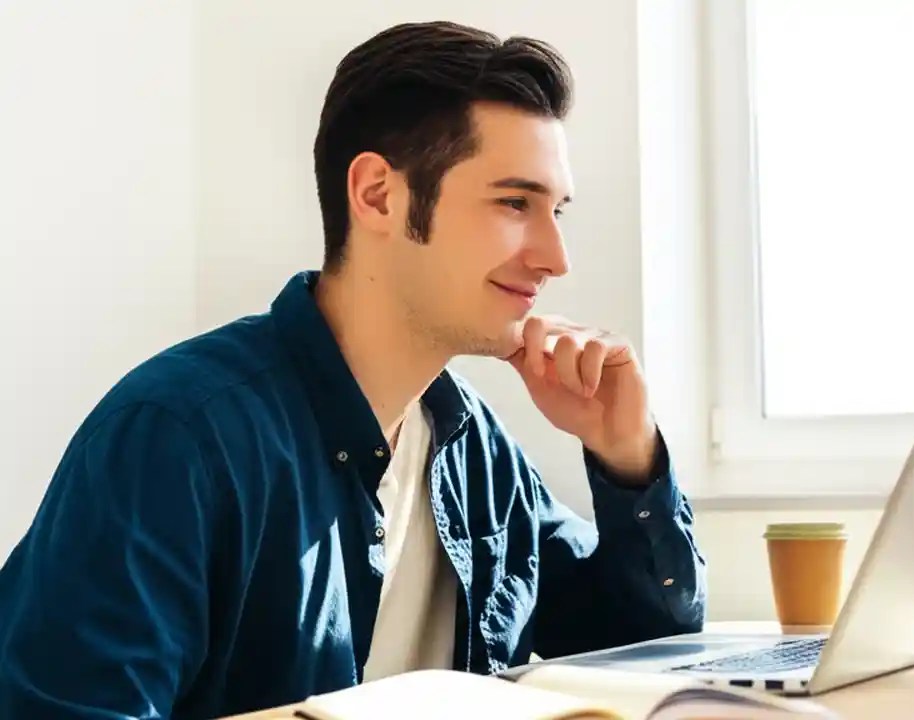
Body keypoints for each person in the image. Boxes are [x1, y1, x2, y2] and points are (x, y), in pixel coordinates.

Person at [0, 21, 706, 719]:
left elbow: (641, 655)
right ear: (377, 195)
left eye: (557, 210)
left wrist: (627, 458)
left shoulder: (473, 452)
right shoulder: (177, 438)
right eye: (515, 203)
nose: (556, 257)